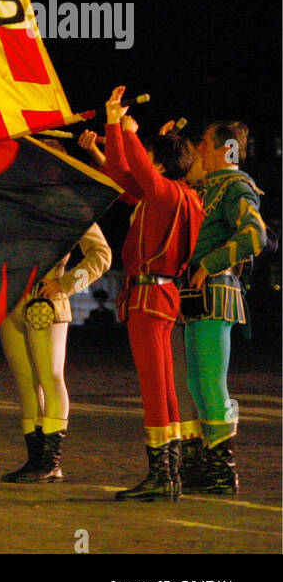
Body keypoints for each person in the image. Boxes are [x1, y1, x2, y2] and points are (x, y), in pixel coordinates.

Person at [101, 86, 204, 502]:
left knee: (154, 388)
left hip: (148, 298)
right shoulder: (183, 197)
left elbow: (136, 169)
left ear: (160, 164)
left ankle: (162, 474)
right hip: (163, 297)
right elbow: (119, 172)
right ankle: (171, 472)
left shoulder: (161, 194)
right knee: (164, 387)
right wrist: (112, 123)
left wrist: (125, 127)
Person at [180, 121, 265, 494]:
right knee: (197, 382)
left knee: (211, 383)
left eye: (204, 142)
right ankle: (207, 462)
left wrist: (209, 264)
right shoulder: (210, 185)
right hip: (198, 295)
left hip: (216, 291)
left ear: (226, 148)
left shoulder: (235, 186)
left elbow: (255, 234)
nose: (200, 148)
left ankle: (222, 468)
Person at [0, 222, 111, 482]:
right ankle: (36, 461)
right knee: (27, 384)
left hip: (46, 299)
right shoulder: (11, 200)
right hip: (11, 299)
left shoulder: (69, 204)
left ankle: (51, 463)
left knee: (50, 378)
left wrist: (67, 283)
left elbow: (102, 254)